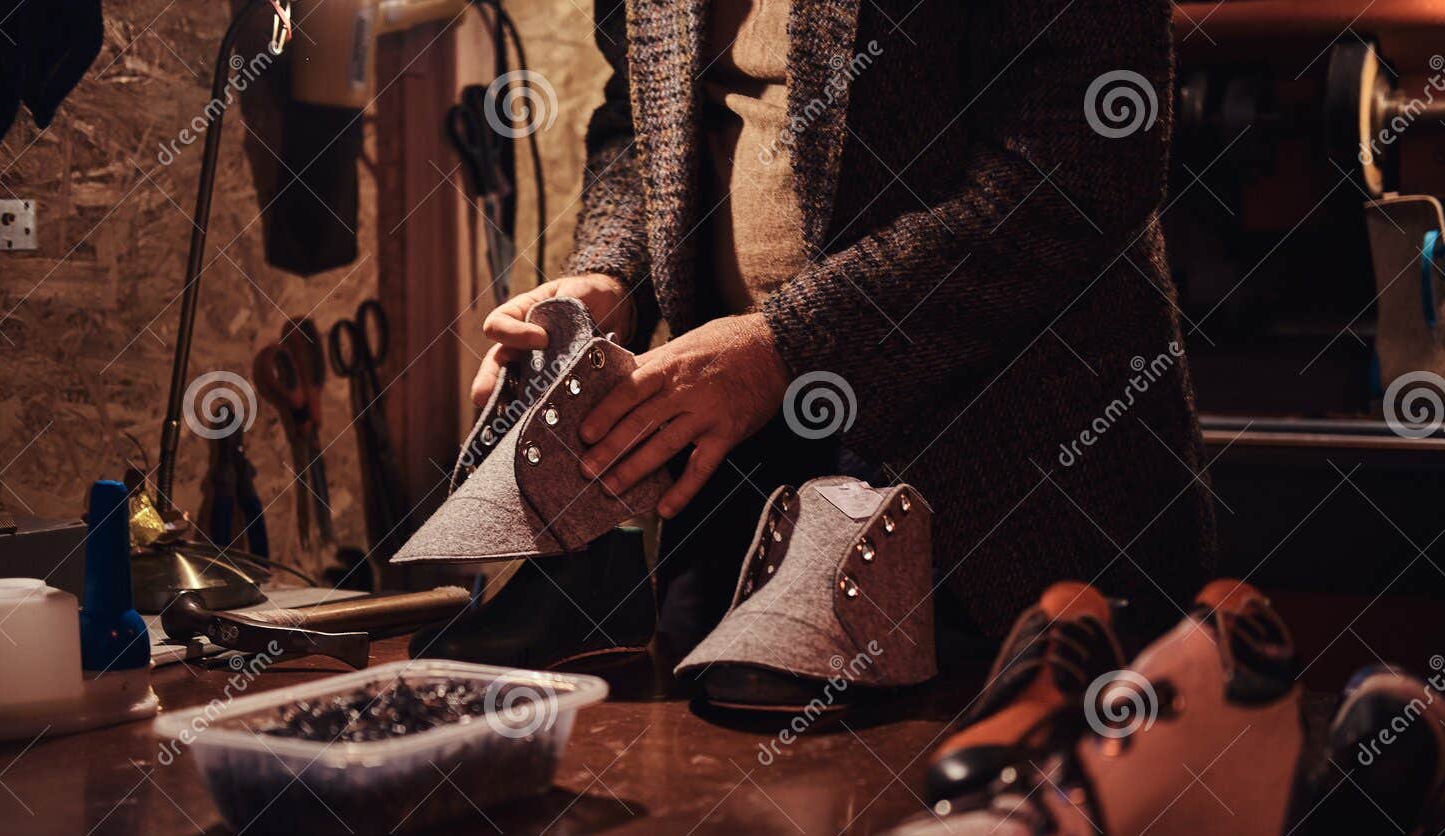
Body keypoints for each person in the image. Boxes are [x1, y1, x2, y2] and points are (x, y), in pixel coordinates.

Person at [469, 0, 1214, 658]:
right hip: (736, 449)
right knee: (718, 791)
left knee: (963, 799)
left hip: (1001, 473)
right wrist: (612, 271)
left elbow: (1085, 169)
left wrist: (789, 346)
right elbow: (637, 115)